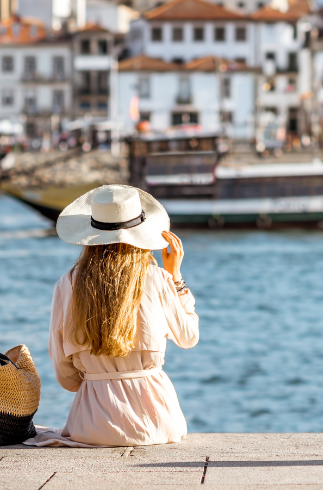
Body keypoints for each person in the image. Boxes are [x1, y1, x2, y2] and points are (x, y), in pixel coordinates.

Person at [40, 184, 199, 447]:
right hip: (158, 423)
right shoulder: (158, 278)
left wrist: (101, 384)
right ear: (141, 234)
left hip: (91, 425)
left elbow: (65, 377)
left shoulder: (66, 284)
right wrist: (176, 279)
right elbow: (189, 337)